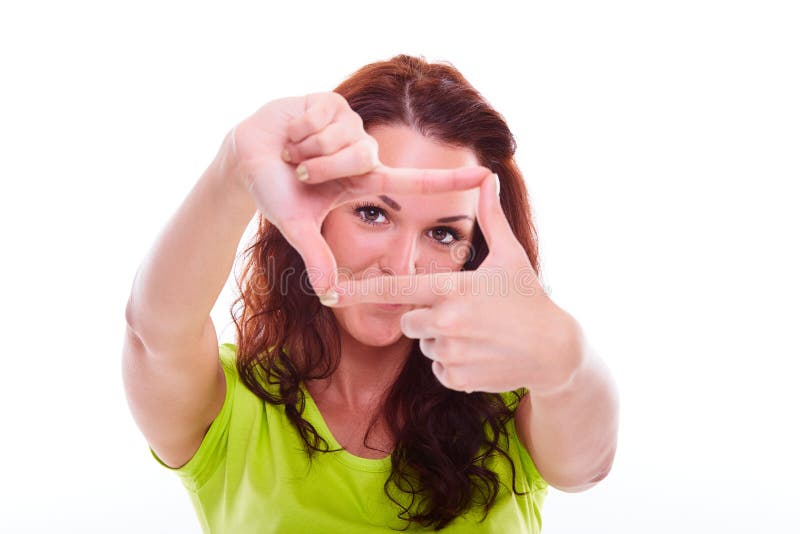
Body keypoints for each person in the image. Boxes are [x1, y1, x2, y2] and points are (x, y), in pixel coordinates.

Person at [122, 54, 619, 533]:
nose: (400, 267)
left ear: (476, 251)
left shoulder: (514, 395)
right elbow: (154, 336)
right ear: (313, 210)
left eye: (444, 233)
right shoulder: (232, 405)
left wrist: (565, 358)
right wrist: (233, 169)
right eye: (373, 214)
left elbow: (587, 469)